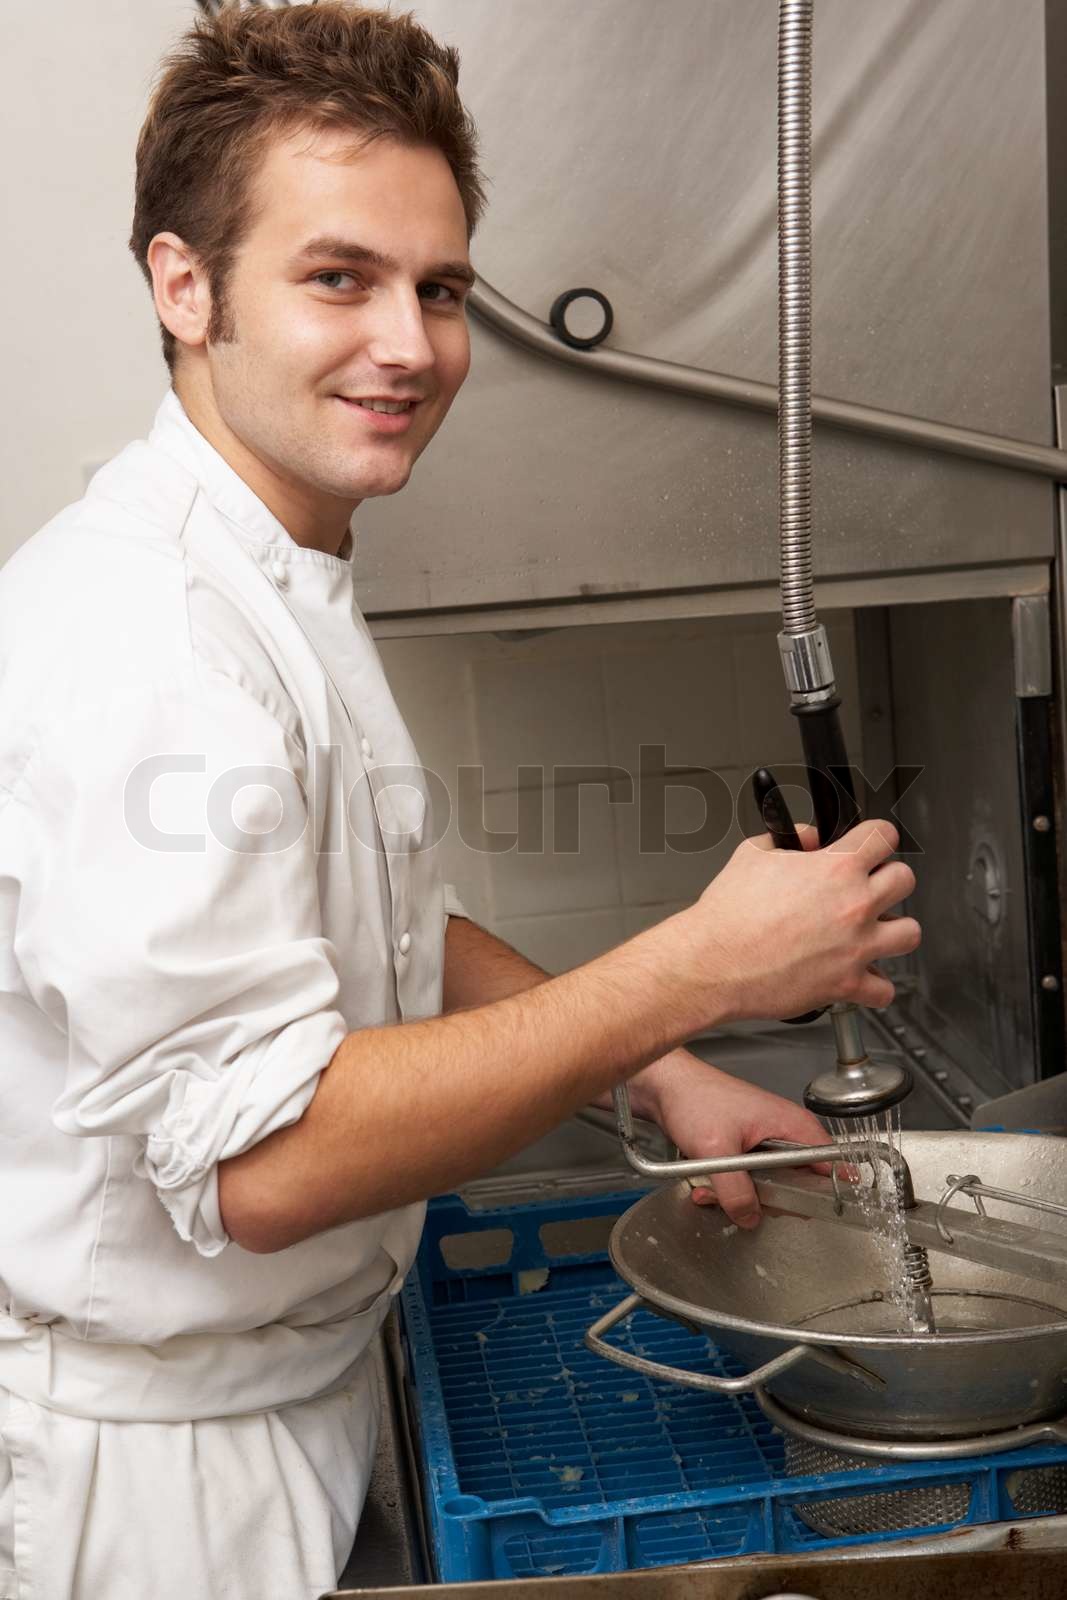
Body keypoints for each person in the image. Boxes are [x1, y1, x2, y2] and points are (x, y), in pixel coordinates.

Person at [0, 5, 920, 1597]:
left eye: (438, 288)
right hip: (147, 1493)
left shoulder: (264, 564)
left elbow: (374, 929)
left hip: (283, 1396)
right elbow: (263, 1164)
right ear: (184, 285)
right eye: (338, 277)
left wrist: (666, 1072)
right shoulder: (146, 641)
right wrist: (693, 967)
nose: (412, 346)